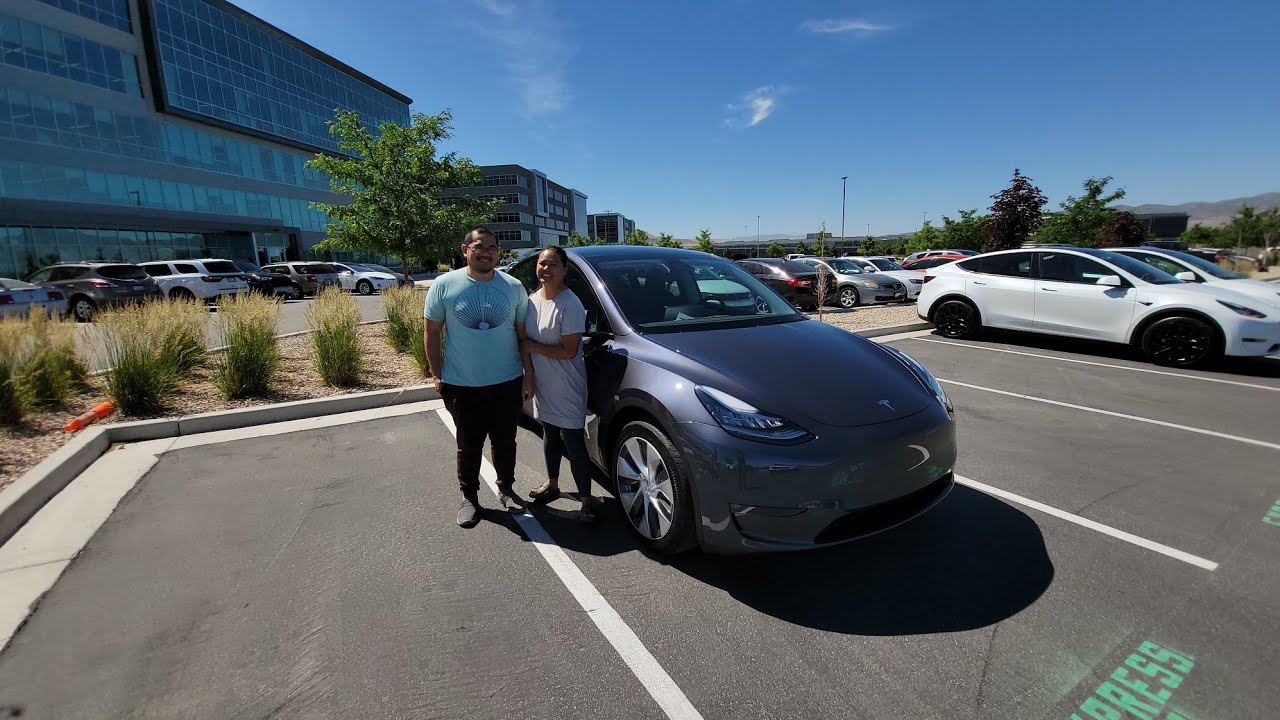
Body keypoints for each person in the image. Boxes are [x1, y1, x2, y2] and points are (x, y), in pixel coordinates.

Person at [425, 227, 534, 528]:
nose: (486, 253)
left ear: (498, 251)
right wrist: (436, 374)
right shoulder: (444, 285)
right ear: (465, 250)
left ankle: (506, 489)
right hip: (462, 384)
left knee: (505, 442)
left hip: (507, 381)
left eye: (492, 247)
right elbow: (431, 333)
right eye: (479, 247)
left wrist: (528, 375)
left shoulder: (514, 287)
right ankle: (469, 497)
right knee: (469, 445)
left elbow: (522, 335)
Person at [521, 246, 598, 524]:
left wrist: (533, 347)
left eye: (553, 264)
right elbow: (524, 344)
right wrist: (529, 376)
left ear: (565, 270)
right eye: (542, 263)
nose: (546, 269)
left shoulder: (570, 304)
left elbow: (569, 351)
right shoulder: (531, 301)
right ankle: (552, 484)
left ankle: (587, 500)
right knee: (550, 433)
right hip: (544, 384)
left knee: (574, 442)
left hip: (567, 385)